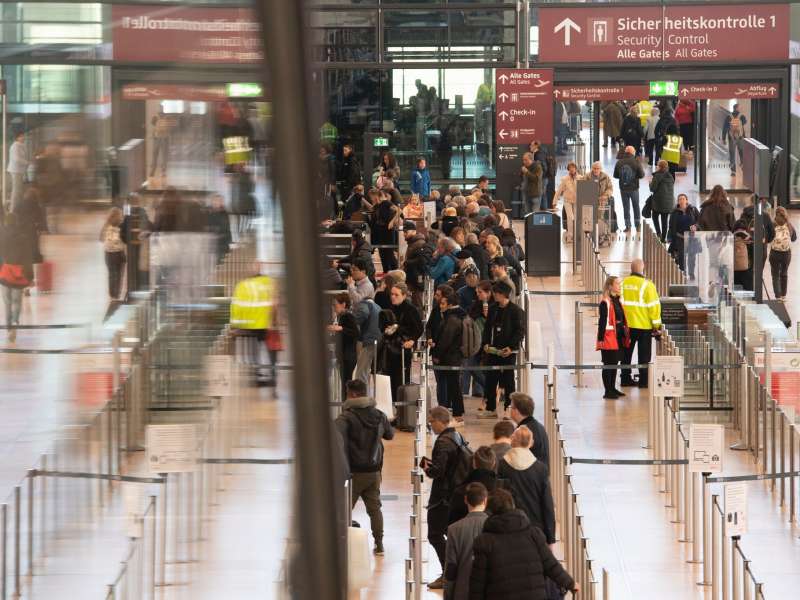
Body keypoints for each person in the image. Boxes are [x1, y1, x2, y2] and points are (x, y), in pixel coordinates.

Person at [469, 488, 578, 600]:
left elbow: (477, 584)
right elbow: (551, 565)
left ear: (489, 511)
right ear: (513, 506)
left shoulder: (484, 542)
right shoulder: (534, 534)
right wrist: (570, 583)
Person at [335, 379, 394, 556]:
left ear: (352, 394)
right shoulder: (379, 415)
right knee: (375, 509)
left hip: (353, 473)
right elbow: (390, 435)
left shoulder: (346, 417)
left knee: (343, 510)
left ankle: (340, 545)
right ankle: (379, 544)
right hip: (374, 471)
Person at [421, 406, 468, 589]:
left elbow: (438, 472)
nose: (430, 424)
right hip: (455, 493)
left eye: (432, 421)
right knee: (449, 532)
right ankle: (458, 569)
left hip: (443, 496)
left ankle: (448, 573)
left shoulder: (443, 442)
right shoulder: (457, 436)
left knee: (434, 534)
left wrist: (425, 466)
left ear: (441, 421)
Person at [498, 427, 555, 546]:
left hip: (509, 525)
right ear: (531, 443)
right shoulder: (540, 468)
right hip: (535, 527)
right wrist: (551, 538)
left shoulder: (501, 466)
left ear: (512, 441)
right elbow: (547, 504)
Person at [480, 281, 525, 419]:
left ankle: (508, 408)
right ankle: (491, 408)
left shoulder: (516, 311)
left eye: (496, 293)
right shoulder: (493, 309)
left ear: (503, 294)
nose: (494, 296)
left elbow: (520, 331)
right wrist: (486, 343)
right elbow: (488, 328)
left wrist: (511, 347)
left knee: (508, 380)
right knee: (491, 379)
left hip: (508, 351)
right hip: (494, 350)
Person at [230, 265, 277, 386]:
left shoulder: (242, 285)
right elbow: (274, 302)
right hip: (264, 323)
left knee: (253, 350)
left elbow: (235, 306)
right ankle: (269, 375)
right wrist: (274, 321)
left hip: (248, 324)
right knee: (268, 349)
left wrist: (234, 326)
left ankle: (256, 374)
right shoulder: (268, 282)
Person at [620, 259, 661, 388]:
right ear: (643, 269)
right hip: (644, 327)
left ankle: (625, 379)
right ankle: (643, 381)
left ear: (631, 269)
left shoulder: (622, 284)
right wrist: (657, 326)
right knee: (644, 356)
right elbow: (654, 308)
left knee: (626, 354)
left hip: (627, 327)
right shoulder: (648, 285)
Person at [444, 482, 489, 600]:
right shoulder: (494, 525)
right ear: (485, 500)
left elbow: (451, 568)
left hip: (462, 590)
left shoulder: (454, 529)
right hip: (488, 590)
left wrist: (448, 595)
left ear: (465, 500)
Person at [432, 287, 467, 424]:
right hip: (451, 357)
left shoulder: (452, 319)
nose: (440, 306)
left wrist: (437, 355)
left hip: (451, 358)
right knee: (453, 386)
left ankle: (458, 416)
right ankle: (454, 413)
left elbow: (445, 340)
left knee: (454, 387)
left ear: (450, 305)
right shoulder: (454, 316)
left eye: (443, 304)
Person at [0, 213, 34, 343]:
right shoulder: (23, 237)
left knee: (7, 302)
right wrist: (30, 277)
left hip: (4, 273)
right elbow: (27, 259)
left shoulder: (1, 236)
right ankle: (14, 324)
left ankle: (9, 327)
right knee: (17, 302)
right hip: (18, 274)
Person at [388, 282, 423, 402]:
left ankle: (402, 404)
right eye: (391, 294)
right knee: (390, 377)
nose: (393, 297)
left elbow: (419, 328)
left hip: (403, 347)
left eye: (396, 295)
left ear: (404, 295)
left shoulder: (411, 309)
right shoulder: (391, 307)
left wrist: (412, 340)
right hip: (390, 347)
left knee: (401, 376)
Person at [597, 276, 630, 399]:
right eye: (617, 284)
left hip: (618, 337)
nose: (619, 286)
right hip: (608, 338)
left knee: (615, 363)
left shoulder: (617, 300)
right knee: (608, 364)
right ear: (610, 286)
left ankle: (612, 388)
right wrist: (601, 340)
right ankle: (607, 391)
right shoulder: (605, 302)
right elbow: (602, 322)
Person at [447, 447, 497, 525]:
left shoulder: (460, 491)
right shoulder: (501, 490)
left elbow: (451, 524)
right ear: (494, 463)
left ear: (474, 463)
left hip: (463, 535)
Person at [329, 293, 360, 398]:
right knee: (344, 382)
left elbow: (355, 333)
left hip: (348, 355)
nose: (334, 307)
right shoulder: (341, 317)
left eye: (335, 305)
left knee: (347, 382)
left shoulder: (348, 316)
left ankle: (347, 404)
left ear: (343, 304)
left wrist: (340, 329)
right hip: (343, 355)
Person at [508, 392, 549, 469]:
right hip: (540, 475)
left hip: (530, 477)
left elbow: (517, 460)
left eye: (511, 407)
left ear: (516, 410)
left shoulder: (523, 431)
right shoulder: (539, 426)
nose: (509, 409)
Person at [613, 146, 645, 233]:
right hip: (634, 188)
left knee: (626, 207)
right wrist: (634, 177)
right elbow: (642, 175)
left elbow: (615, 175)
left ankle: (628, 226)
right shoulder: (636, 161)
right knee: (636, 206)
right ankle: (637, 226)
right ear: (632, 152)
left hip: (623, 188)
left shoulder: (619, 162)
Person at [402, 221, 433, 306]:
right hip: (413, 278)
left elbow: (421, 261)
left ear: (413, 231)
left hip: (417, 279)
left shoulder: (419, 244)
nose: (404, 234)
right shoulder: (413, 243)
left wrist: (407, 263)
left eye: (406, 232)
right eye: (403, 232)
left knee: (418, 303)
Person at [352, 294, 381, 385]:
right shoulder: (378, 307)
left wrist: (353, 321)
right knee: (369, 370)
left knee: (361, 372)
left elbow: (364, 313)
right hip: (379, 341)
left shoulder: (365, 303)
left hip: (369, 341)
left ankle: (361, 395)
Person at [768, 207, 796, 301]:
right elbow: (794, 238)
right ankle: (784, 295)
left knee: (775, 275)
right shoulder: (789, 225)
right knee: (784, 274)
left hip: (774, 253)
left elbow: (768, 238)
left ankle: (778, 296)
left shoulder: (772, 224)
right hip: (786, 254)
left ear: (776, 214)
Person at [667, 193, 701, 271]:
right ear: (678, 202)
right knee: (681, 257)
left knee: (692, 257)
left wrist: (696, 226)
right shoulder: (674, 213)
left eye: (683, 199)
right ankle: (682, 272)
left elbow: (700, 221)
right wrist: (669, 238)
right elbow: (671, 226)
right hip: (680, 238)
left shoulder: (693, 210)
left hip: (692, 238)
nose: (681, 200)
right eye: (680, 199)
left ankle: (691, 273)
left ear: (687, 200)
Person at [100, 207, 127, 301]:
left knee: (111, 274)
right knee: (119, 275)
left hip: (108, 254)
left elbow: (100, 238)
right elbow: (125, 239)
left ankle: (112, 295)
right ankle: (116, 295)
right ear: (118, 216)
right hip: (118, 253)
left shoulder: (106, 226)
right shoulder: (121, 226)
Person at [370, 192, 400, 273]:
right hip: (379, 233)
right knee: (382, 255)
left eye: (372, 197)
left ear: (377, 196)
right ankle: (386, 273)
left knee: (389, 255)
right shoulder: (377, 206)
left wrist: (392, 222)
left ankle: (396, 274)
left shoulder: (387, 203)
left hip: (387, 233)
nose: (371, 199)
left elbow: (399, 211)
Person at [649, 160, 675, 243]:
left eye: (657, 165)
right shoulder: (670, 176)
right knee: (664, 220)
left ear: (659, 167)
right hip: (669, 202)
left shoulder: (657, 176)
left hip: (658, 202)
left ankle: (658, 232)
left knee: (654, 216)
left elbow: (652, 188)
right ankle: (663, 238)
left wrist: (650, 183)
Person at [552, 162, 579, 243]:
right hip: (567, 201)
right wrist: (554, 201)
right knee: (570, 217)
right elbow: (559, 191)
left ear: (575, 168)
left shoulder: (581, 178)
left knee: (577, 218)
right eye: (570, 168)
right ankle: (569, 236)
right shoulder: (565, 179)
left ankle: (576, 235)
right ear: (568, 169)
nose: (572, 169)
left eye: (573, 167)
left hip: (577, 201)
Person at [722, 103, 747, 175]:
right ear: (737, 108)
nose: (740, 109)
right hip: (740, 137)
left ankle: (733, 171)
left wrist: (723, 138)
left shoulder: (728, 117)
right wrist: (744, 136)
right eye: (740, 108)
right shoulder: (742, 116)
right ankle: (743, 166)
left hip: (731, 138)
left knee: (732, 154)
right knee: (742, 152)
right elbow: (744, 124)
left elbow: (725, 128)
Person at [7, 131, 28, 212]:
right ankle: (12, 210)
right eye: (22, 136)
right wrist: (26, 162)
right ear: (17, 137)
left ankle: (17, 209)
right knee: (16, 191)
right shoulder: (15, 146)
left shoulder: (20, 145)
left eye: (23, 136)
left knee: (19, 191)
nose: (23, 137)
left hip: (19, 170)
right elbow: (16, 159)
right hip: (15, 170)